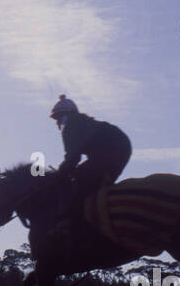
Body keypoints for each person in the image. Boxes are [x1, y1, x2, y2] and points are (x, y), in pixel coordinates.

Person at [49, 94, 131, 230]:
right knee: (89, 178)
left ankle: (73, 224)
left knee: (79, 186)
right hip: (118, 148)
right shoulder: (81, 122)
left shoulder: (69, 125)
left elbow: (73, 157)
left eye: (56, 120)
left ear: (60, 116)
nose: (57, 123)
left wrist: (59, 174)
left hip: (110, 152)